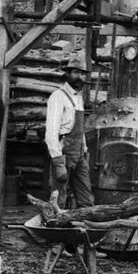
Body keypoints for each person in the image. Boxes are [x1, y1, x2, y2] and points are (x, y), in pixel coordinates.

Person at [45, 55, 93, 208]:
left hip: (78, 154)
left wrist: (84, 150)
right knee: (59, 197)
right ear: (68, 74)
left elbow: (80, 129)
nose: (80, 77)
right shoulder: (58, 97)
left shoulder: (78, 98)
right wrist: (58, 162)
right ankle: (53, 229)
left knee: (86, 197)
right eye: (76, 72)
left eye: (82, 73)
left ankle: (84, 228)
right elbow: (51, 132)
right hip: (64, 152)